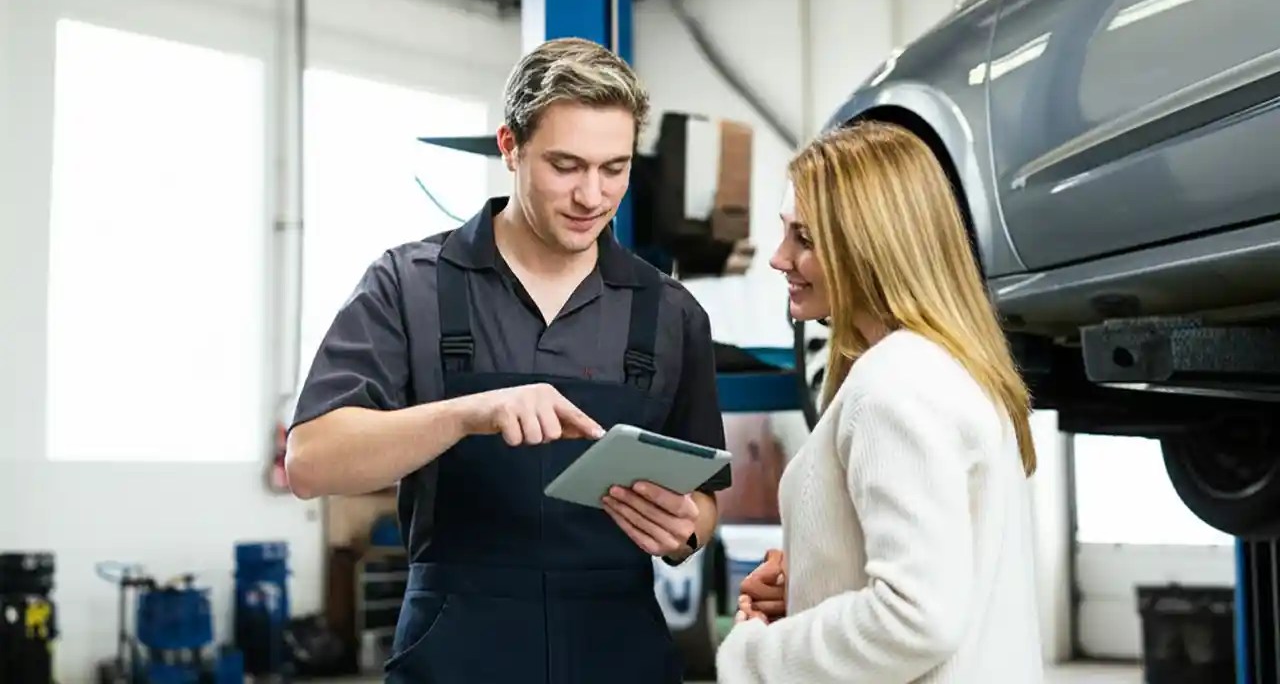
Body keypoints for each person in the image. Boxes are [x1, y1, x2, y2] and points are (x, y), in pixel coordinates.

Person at [285, 37, 732, 684]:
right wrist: (469, 413)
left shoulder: (669, 313)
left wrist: (687, 527)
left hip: (619, 650)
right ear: (510, 146)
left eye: (614, 168)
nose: (592, 195)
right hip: (456, 650)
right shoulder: (411, 284)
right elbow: (310, 461)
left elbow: (705, 501)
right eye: (566, 165)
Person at [715, 121, 1044, 683]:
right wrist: (813, 586)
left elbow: (915, 618)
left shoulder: (894, 385)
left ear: (870, 246)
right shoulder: (950, 368)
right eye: (784, 232)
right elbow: (943, 582)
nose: (778, 257)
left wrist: (754, 657)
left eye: (806, 239)